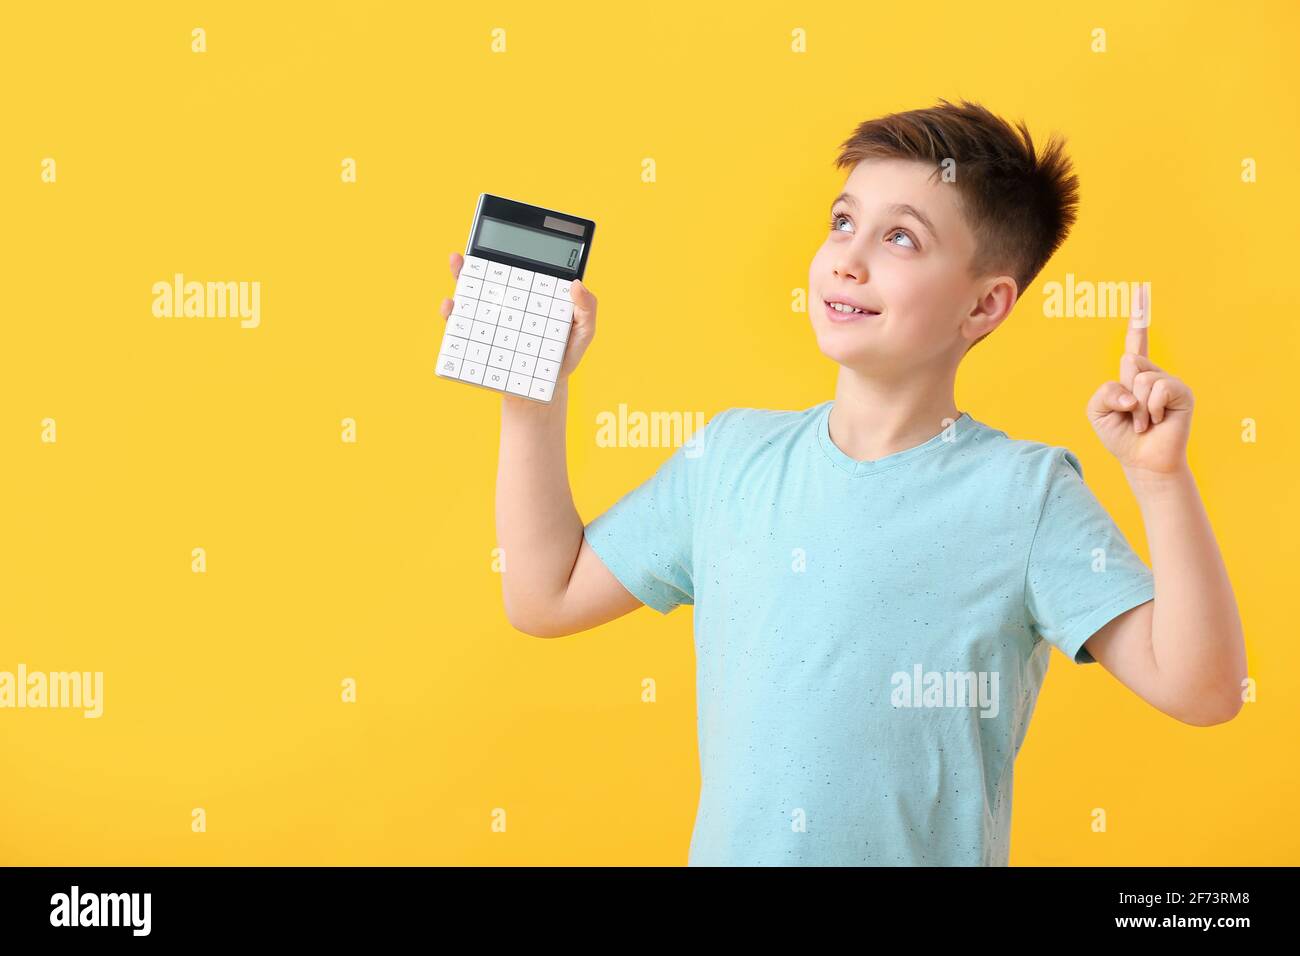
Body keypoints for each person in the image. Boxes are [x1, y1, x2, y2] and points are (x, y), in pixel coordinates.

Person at [439, 98, 1247, 866]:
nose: (848, 260)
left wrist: (1161, 483)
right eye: (844, 222)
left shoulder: (1025, 496)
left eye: (901, 240)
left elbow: (1204, 690)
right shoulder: (730, 459)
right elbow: (543, 596)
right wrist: (531, 400)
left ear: (985, 306)